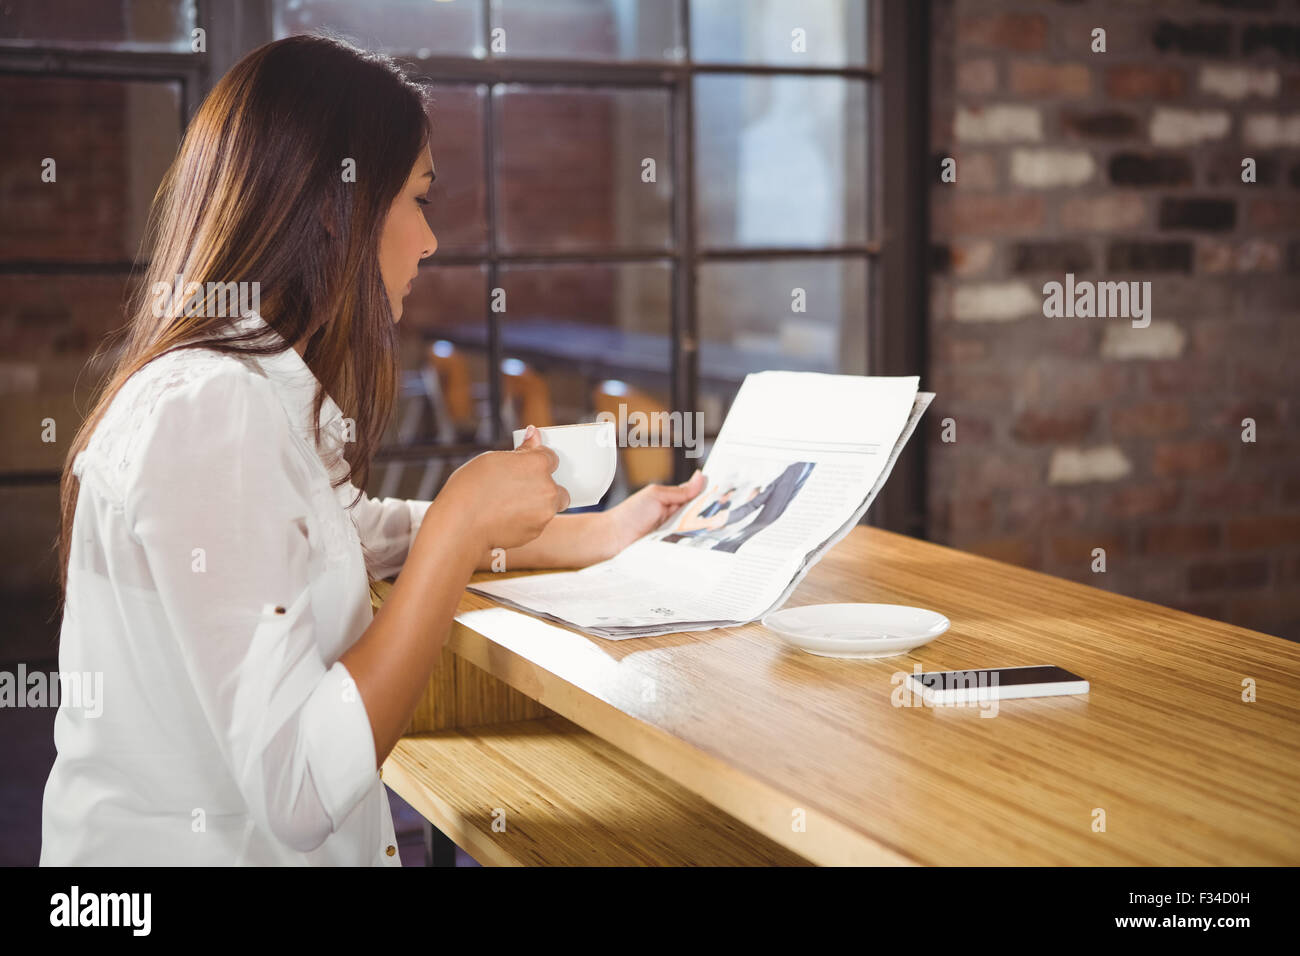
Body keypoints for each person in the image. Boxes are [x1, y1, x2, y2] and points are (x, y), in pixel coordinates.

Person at [41, 35, 704, 866]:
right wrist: (461, 526)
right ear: (336, 205)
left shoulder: (251, 389)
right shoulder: (210, 411)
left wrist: (593, 533)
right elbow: (298, 793)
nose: (429, 241)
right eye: (419, 198)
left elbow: (346, 532)